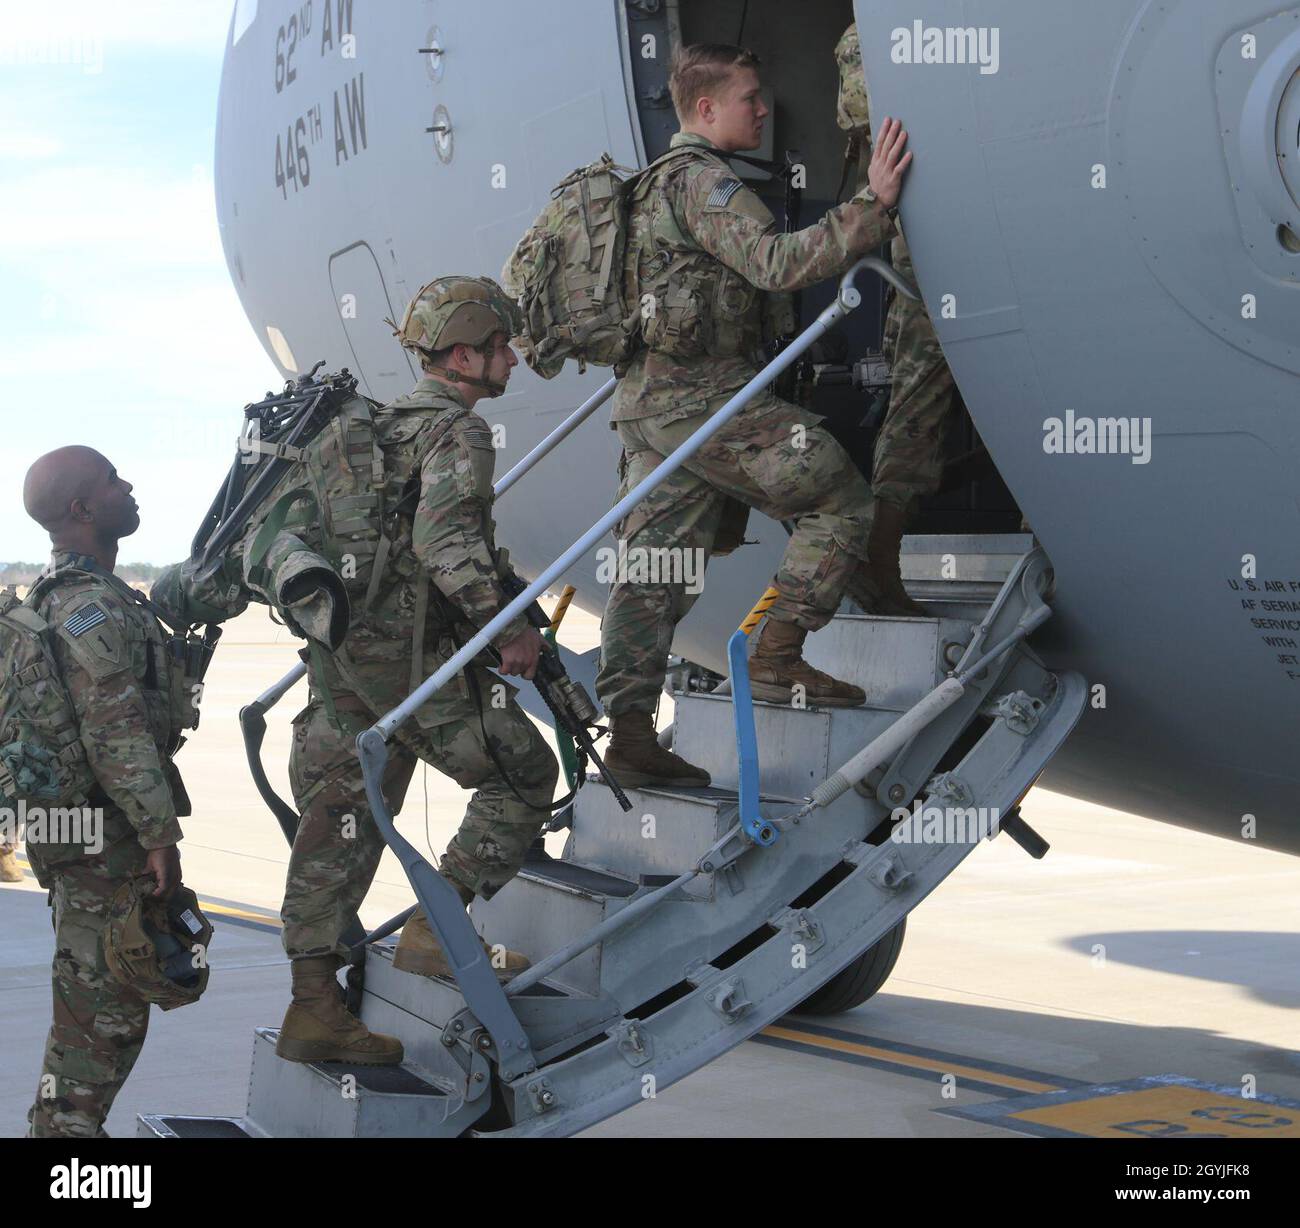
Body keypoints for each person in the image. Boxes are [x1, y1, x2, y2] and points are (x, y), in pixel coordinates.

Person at [595, 42, 913, 787]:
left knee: (650, 577)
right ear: (706, 110)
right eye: (750, 98)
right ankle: (776, 655)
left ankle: (632, 739)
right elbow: (777, 264)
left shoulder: (646, 187)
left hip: (646, 409)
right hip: (706, 404)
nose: (764, 109)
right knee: (839, 499)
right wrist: (874, 203)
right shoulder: (704, 183)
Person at [272, 275, 558, 1066]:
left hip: (342, 669)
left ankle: (313, 1010)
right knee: (525, 771)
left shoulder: (372, 430)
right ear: (463, 355)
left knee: (336, 836)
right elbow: (444, 545)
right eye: (500, 346)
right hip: (410, 668)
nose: (512, 359)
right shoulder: (458, 434)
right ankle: (439, 929)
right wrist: (508, 630)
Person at [20, 447, 189, 1137]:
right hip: (102, 843)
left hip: (79, 835)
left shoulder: (69, 595)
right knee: (98, 1028)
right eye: (115, 481)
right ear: (83, 510)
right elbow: (113, 732)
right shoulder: (88, 608)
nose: (130, 487)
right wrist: (158, 834)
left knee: (99, 1015)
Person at [836, 21, 957, 616]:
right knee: (915, 406)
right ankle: (879, 561)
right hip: (936, 252)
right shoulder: (879, 31)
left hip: (945, 248)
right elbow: (871, 123)